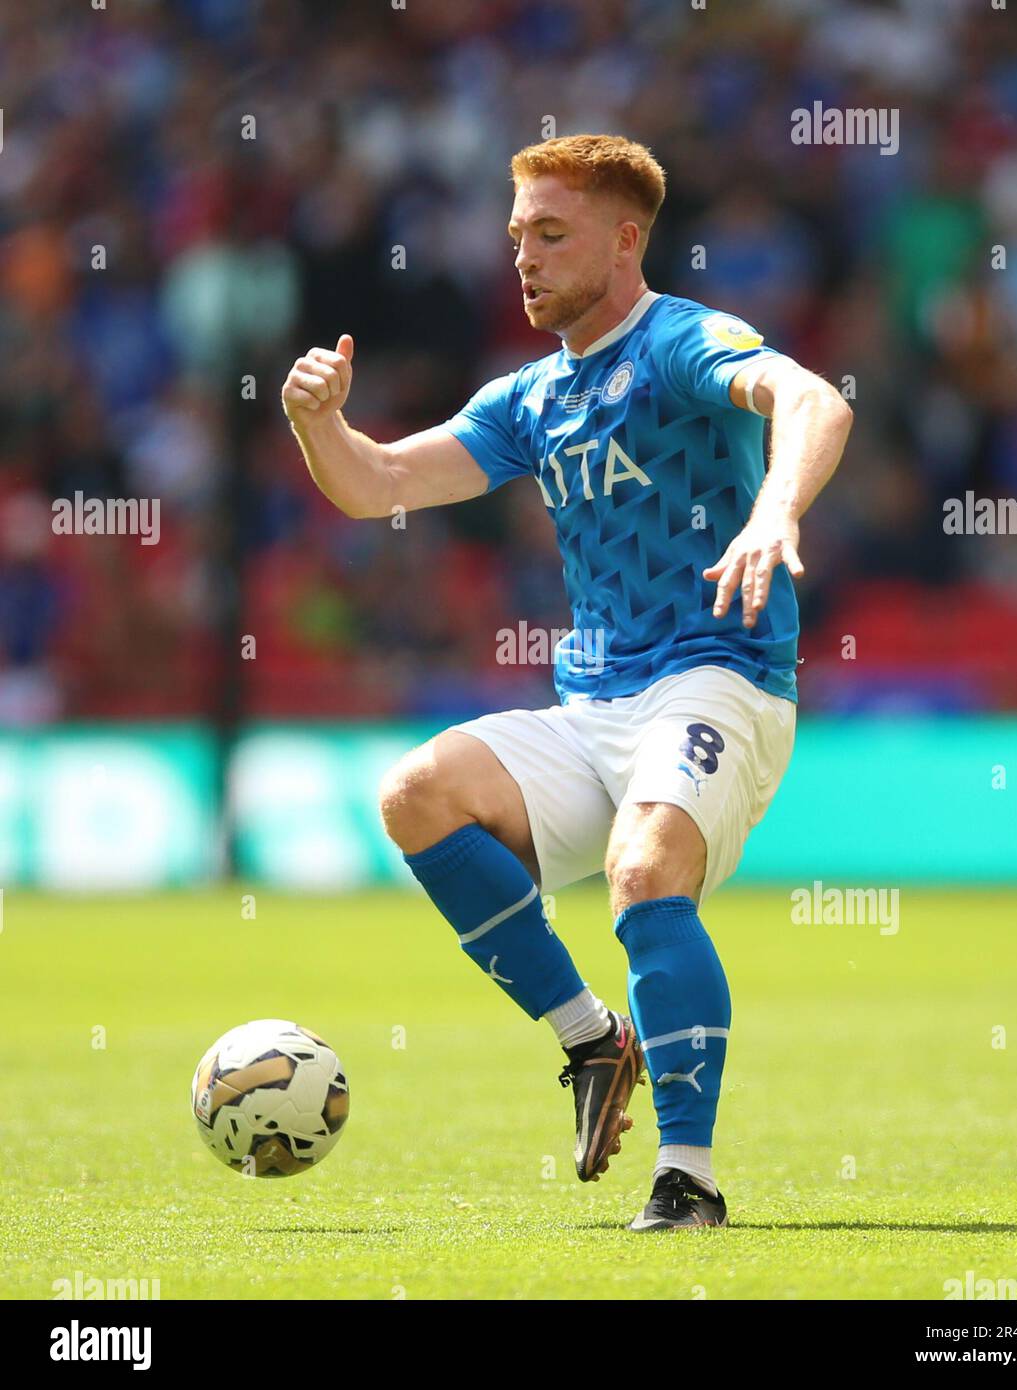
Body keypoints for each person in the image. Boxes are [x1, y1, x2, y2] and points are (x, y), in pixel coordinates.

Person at [281, 134, 852, 1231]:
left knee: (644, 872)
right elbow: (378, 483)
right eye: (514, 238)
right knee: (415, 793)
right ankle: (591, 1037)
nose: (524, 259)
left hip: (715, 678)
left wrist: (774, 509)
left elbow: (812, 400)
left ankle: (687, 1178)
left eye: (550, 234)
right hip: (595, 708)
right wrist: (321, 423)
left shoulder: (683, 341)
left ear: (625, 238)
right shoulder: (530, 395)